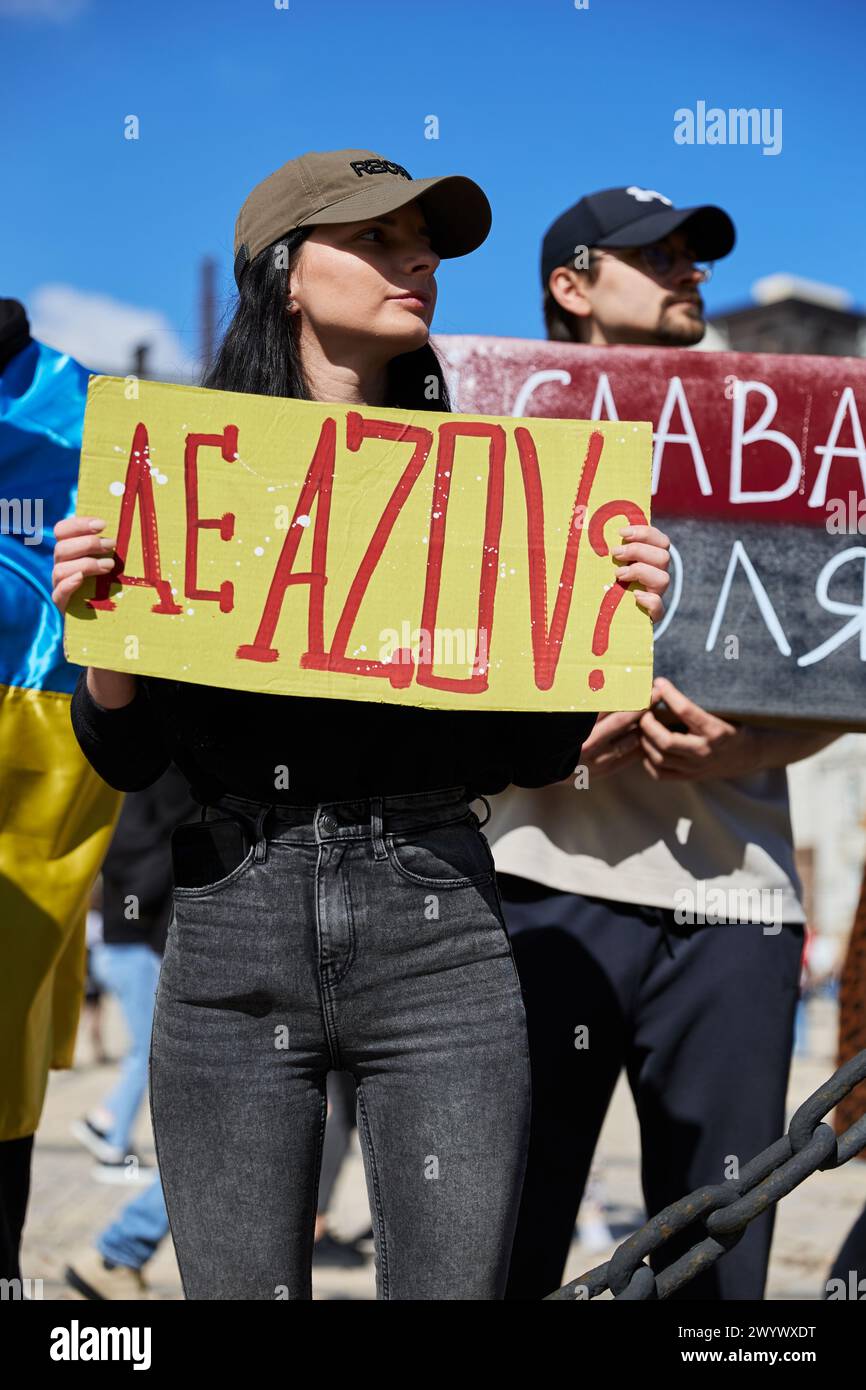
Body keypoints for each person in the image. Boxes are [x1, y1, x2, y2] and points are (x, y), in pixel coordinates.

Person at [51, 150, 671, 1301]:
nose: (418, 260)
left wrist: (602, 619)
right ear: (285, 274)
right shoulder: (181, 480)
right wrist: (100, 629)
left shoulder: (491, 489)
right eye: (376, 239)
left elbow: (533, 754)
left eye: (422, 242)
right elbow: (131, 757)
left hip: (439, 921)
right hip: (234, 913)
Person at [490, 185, 841, 1301]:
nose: (689, 270)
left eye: (697, 254)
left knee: (720, 1253)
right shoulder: (492, 427)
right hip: (538, 879)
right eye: (657, 255)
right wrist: (544, 740)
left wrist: (748, 751)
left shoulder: (786, 430)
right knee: (505, 1221)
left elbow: (847, 645)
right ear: (570, 285)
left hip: (737, 896)